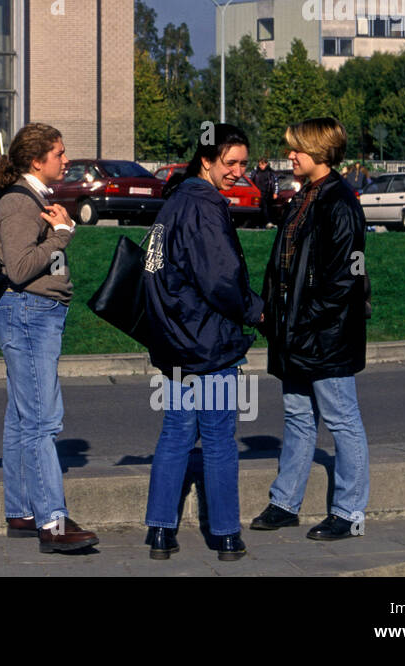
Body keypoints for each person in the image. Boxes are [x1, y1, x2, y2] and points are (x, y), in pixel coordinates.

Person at [141, 123, 264, 561]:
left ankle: (159, 531)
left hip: (175, 340)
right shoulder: (204, 207)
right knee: (217, 439)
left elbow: (154, 271)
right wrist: (257, 310)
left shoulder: (175, 203)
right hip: (207, 342)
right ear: (206, 161)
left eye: (244, 163)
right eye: (229, 163)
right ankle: (226, 535)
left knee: (175, 434)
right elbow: (222, 279)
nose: (238, 171)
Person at [254, 117, 370, 542]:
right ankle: (285, 503)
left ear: (319, 152)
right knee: (298, 417)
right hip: (297, 333)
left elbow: (344, 281)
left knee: (342, 421)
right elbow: (284, 267)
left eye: (296, 149)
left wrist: (301, 324)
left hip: (325, 336)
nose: (290, 155)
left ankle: (349, 511)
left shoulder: (339, 202)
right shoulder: (305, 197)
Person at [0, 122, 98, 553]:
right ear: (37, 160)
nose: (66, 160)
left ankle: (21, 511)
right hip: (29, 314)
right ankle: (52, 522)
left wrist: (56, 233)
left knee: (21, 416)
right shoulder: (19, 205)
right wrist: (62, 236)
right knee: (41, 422)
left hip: (32, 314)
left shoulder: (33, 198)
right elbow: (18, 268)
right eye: (59, 153)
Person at [251, 156, 278, 228]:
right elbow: (251, 181)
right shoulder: (255, 172)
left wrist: (275, 192)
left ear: (266, 164)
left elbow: (275, 183)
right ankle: (264, 223)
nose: (261, 166)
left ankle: (268, 222)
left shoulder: (271, 172)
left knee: (268, 208)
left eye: (262, 164)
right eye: (259, 164)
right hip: (257, 193)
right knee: (262, 208)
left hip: (268, 193)